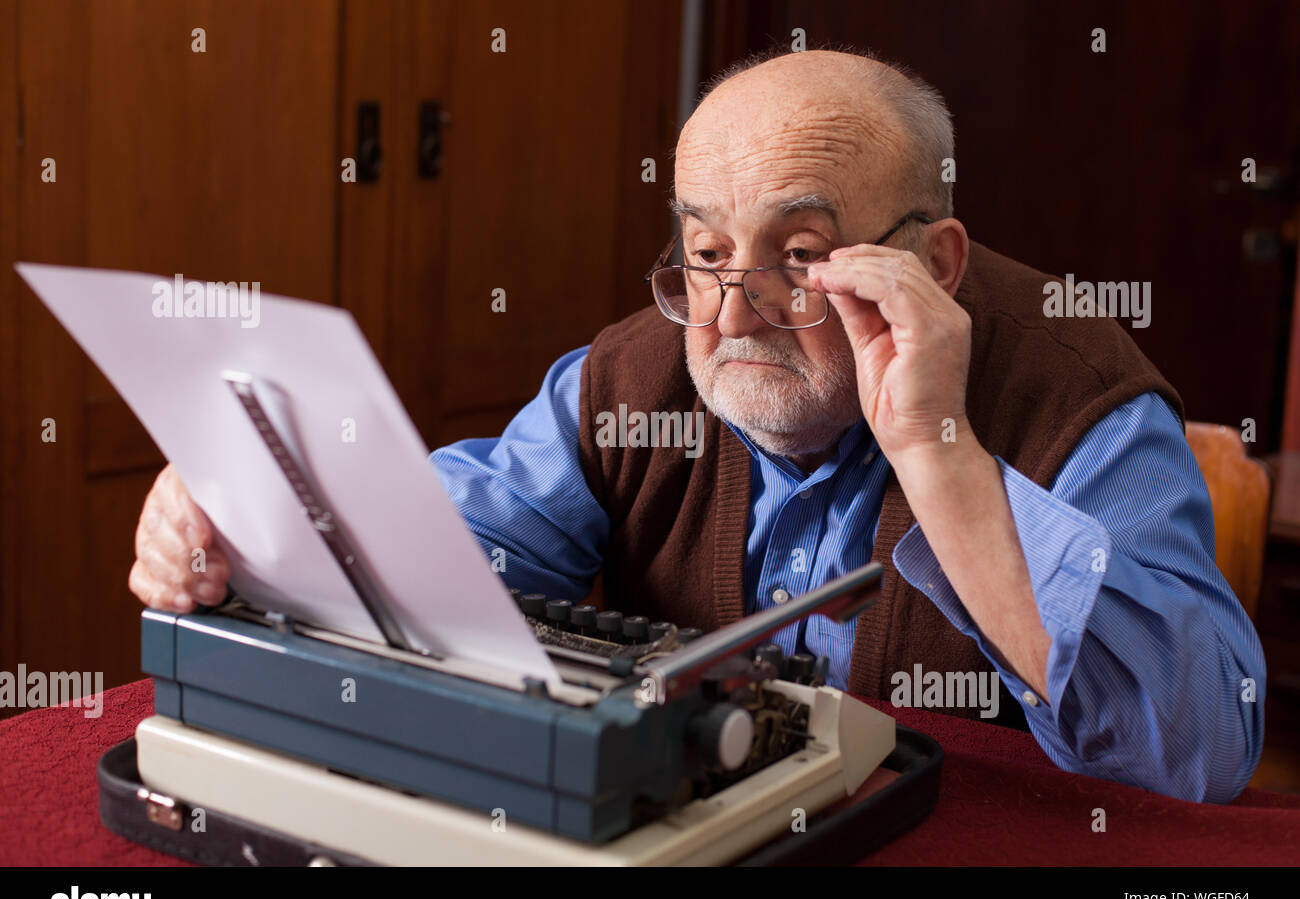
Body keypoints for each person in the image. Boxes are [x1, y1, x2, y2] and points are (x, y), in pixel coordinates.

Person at [128, 49, 1264, 803]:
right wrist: (255, 513)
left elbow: (1198, 752)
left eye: (801, 256)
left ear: (933, 262)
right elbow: (434, 548)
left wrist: (937, 452)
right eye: (705, 252)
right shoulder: (631, 376)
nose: (730, 312)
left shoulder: (1081, 398)